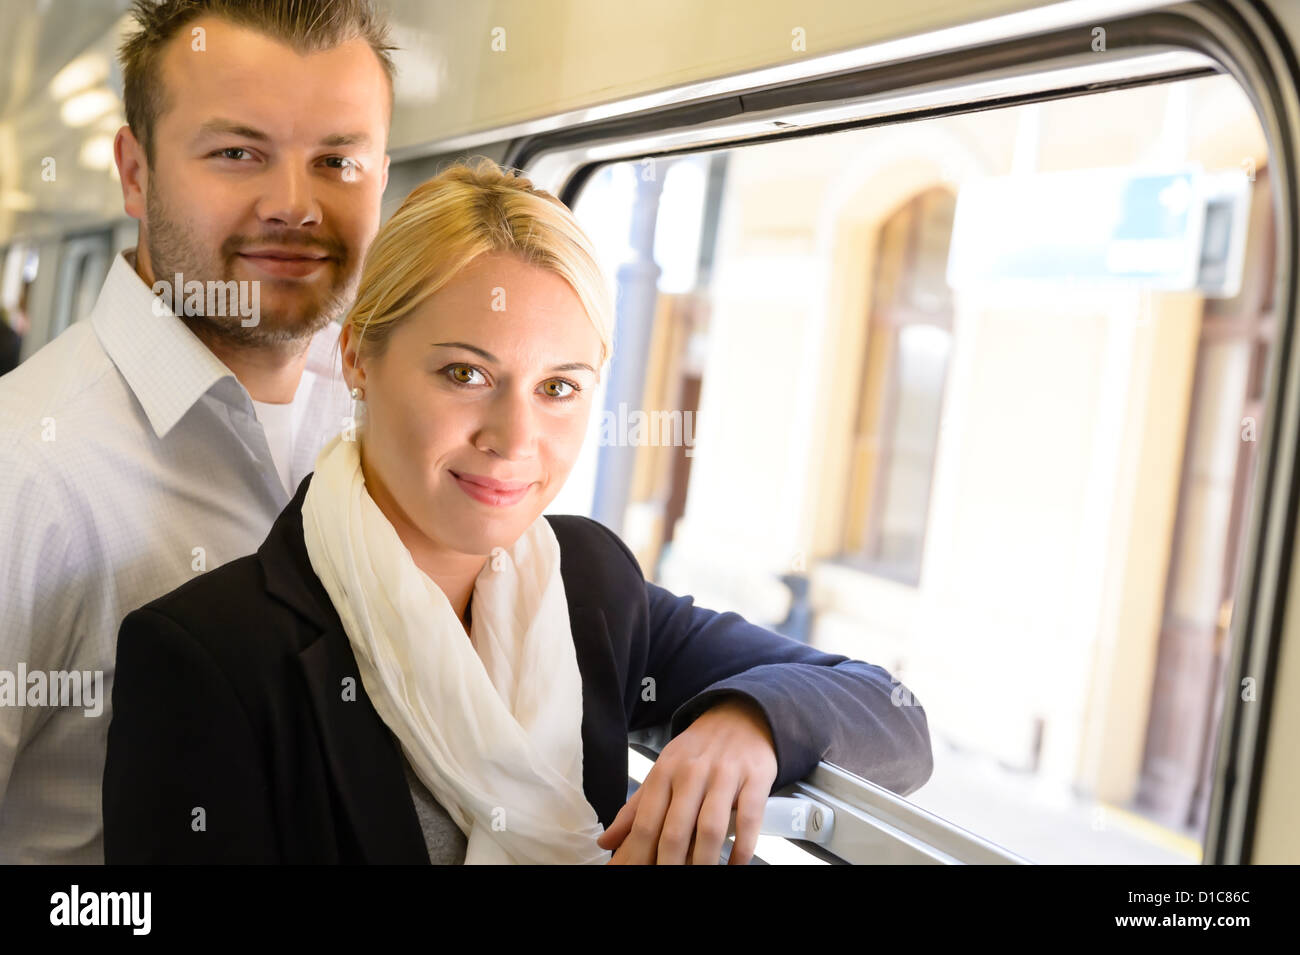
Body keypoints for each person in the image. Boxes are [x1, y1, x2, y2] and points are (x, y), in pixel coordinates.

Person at [102, 159, 934, 865]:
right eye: (465, 374)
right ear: (358, 355)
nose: (515, 438)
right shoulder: (207, 654)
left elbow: (889, 712)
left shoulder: (589, 583)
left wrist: (744, 722)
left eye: (559, 388)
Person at [0, 0, 395, 863]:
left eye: (338, 159)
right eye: (237, 153)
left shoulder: (393, 421)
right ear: (134, 174)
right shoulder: (24, 470)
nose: (295, 205)